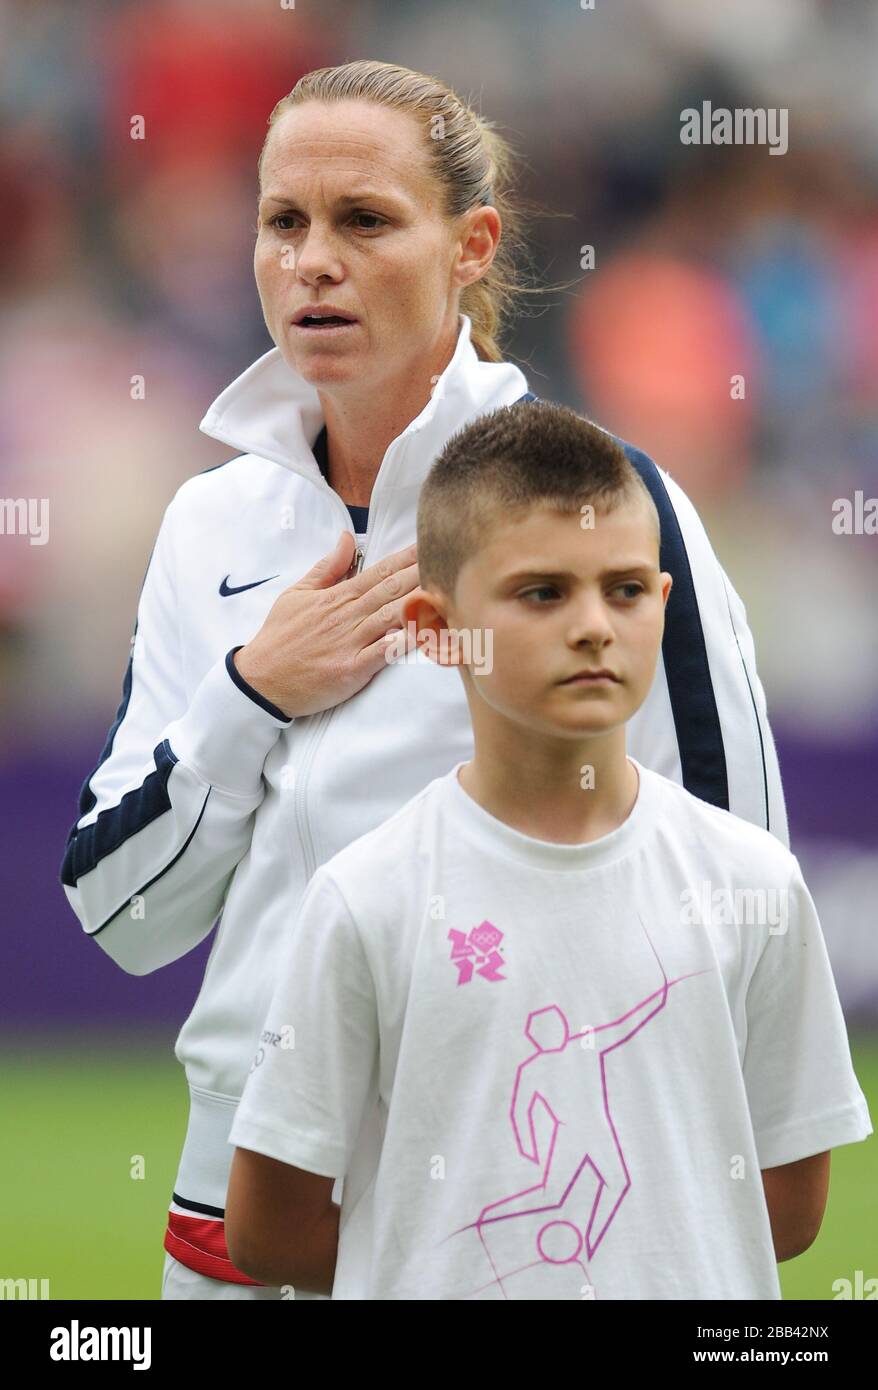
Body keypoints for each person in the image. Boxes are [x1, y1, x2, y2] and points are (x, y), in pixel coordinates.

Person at [60, 60, 789, 1302]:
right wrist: (253, 695)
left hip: (501, 1204)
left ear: (471, 245)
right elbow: (122, 918)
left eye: (364, 220)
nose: (311, 261)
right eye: (282, 222)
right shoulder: (208, 526)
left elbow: (736, 890)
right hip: (233, 1218)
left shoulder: (607, 504)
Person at [225, 401, 872, 1301]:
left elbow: (790, 1204)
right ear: (438, 627)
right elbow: (269, 1227)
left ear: (663, 603)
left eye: (625, 589)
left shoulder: (751, 882)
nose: (594, 625)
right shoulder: (368, 896)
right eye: (543, 593)